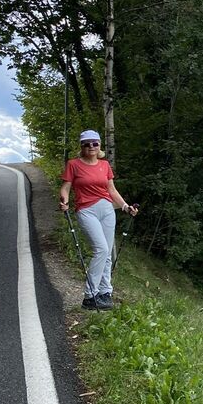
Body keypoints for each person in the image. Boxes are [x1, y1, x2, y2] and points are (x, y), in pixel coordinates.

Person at [59, 130, 139, 311]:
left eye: (95, 143)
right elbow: (65, 188)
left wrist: (126, 207)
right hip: (86, 210)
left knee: (107, 252)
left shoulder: (104, 165)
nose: (91, 147)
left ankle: (105, 292)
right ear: (82, 146)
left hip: (107, 209)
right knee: (101, 249)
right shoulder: (73, 165)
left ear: (99, 145)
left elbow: (112, 190)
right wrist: (64, 201)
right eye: (87, 144)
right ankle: (90, 295)